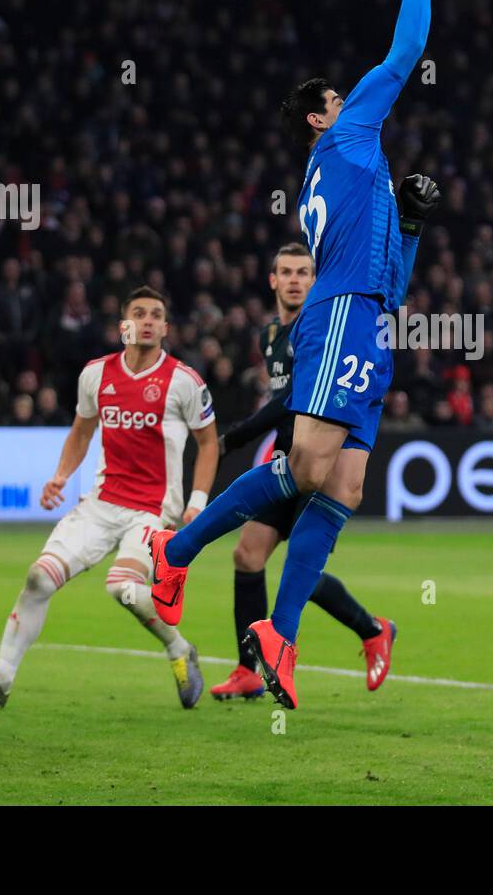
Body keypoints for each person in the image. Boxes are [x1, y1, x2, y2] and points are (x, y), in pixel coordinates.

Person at [148, 0, 439, 710]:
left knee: (340, 488)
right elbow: (403, 59)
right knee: (306, 470)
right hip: (341, 313)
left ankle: (278, 633)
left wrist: (409, 228)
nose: (349, 100)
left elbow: (395, 286)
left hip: (371, 319)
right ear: (319, 118)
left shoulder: (357, 172)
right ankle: (172, 551)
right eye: (335, 99)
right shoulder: (346, 138)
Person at [0, 286, 219, 710]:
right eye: (138, 313)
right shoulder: (96, 375)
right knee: (38, 578)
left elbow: (209, 443)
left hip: (153, 511)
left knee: (122, 588)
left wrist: (196, 501)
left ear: (165, 327)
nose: (146, 321)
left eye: (155, 315)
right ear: (123, 325)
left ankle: (178, 648)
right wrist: (61, 476)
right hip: (102, 503)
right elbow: (82, 431)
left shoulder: (184, 382)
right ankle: (2, 679)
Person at [210, 242, 397, 699]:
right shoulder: (271, 336)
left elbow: (289, 401)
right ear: (272, 280)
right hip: (286, 460)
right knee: (248, 555)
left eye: (303, 272)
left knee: (302, 569)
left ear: (316, 281)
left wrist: (234, 436)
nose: (295, 279)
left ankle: (374, 629)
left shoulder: (323, 327)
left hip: (320, 464)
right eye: (286, 272)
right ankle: (247, 670)